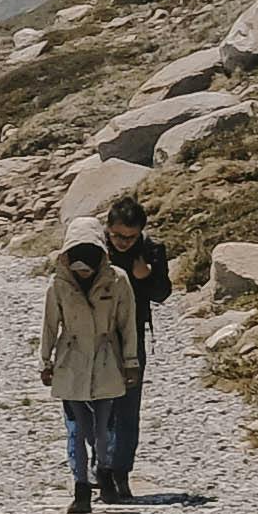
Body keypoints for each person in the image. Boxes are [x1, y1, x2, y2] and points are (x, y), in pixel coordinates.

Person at [40, 221, 144, 513]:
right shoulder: (59, 284)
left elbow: (127, 324)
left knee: (103, 427)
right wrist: (45, 361)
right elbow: (49, 325)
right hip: (71, 359)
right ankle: (81, 487)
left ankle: (105, 473)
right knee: (76, 427)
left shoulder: (117, 280)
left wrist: (131, 362)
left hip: (105, 357)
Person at [95, 204, 178, 498]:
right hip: (95, 335)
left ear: (141, 232)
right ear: (108, 228)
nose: (122, 242)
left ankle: (120, 471)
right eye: (116, 235)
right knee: (96, 403)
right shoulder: (95, 247)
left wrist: (145, 276)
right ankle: (100, 464)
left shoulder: (152, 250)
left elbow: (162, 293)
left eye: (129, 237)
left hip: (132, 335)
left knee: (128, 405)